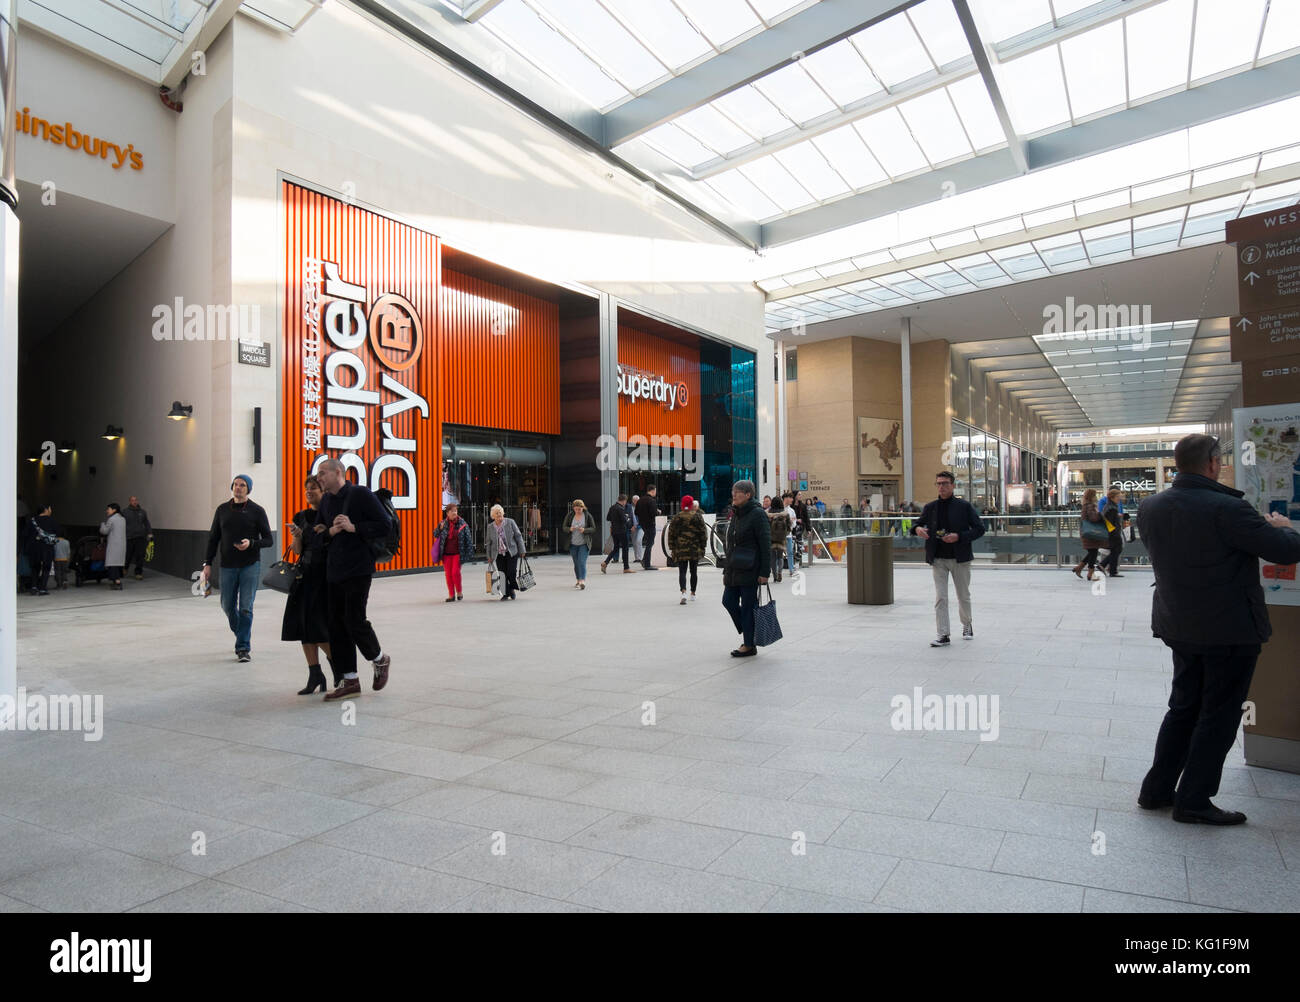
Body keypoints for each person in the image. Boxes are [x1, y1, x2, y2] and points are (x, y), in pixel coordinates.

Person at [1138, 434, 1300, 825]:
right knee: (1220, 714)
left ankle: (1156, 790)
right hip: (1229, 629)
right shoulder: (1229, 508)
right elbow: (1286, 551)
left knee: (1183, 707)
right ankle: (1193, 800)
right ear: (1213, 463)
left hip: (1179, 623)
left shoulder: (1151, 506)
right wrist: (1285, 526)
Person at [315, 458, 393, 699]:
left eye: (322, 473)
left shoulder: (360, 494)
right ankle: (350, 680)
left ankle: (379, 659)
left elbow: (385, 525)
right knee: (336, 625)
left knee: (354, 619)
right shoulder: (326, 500)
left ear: (338, 472)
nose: (319, 478)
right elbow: (319, 530)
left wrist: (354, 527)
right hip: (334, 569)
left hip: (358, 568)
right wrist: (330, 531)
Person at [201, 475, 273, 661]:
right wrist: (207, 563)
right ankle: (242, 633)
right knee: (227, 605)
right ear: (232, 487)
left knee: (246, 608)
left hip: (250, 565)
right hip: (227, 566)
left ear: (248, 489)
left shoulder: (257, 511)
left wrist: (251, 543)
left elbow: (268, 540)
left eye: (243, 485)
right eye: (236, 484)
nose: (238, 488)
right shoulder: (222, 509)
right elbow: (213, 538)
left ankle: (242, 648)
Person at [911, 471, 985, 647]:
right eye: (938, 483)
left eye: (945, 483)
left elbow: (979, 529)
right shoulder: (931, 507)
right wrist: (917, 530)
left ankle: (967, 625)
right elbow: (917, 524)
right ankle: (943, 634)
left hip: (960, 558)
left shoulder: (964, 506)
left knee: (963, 595)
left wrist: (958, 536)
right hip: (938, 559)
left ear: (952, 485)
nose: (941, 487)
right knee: (941, 597)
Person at [281, 475, 333, 695]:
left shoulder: (330, 515)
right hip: (305, 575)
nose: (309, 492)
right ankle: (315, 674)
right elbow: (297, 550)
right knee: (302, 625)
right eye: (307, 489)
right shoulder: (301, 516)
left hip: (326, 575)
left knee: (319, 628)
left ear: (324, 491)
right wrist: (297, 536)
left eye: (314, 488)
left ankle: (338, 668)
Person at [721, 480, 771, 658]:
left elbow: (765, 545)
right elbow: (730, 544)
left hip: (750, 569)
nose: (734, 494)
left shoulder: (757, 514)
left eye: (738, 491)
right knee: (728, 601)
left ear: (748, 494)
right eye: (733, 491)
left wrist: (765, 572)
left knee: (749, 606)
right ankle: (749, 629)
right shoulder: (735, 513)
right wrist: (726, 569)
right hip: (734, 569)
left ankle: (749, 644)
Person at [667, 493, 707, 604]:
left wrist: (672, 547)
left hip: (681, 549)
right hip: (694, 549)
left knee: (682, 571)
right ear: (691, 504)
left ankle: (683, 592)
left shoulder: (677, 517)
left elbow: (671, 534)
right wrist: (703, 546)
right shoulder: (697, 516)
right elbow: (703, 533)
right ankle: (693, 593)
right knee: (693, 571)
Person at [485, 503, 525, 601]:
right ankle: (506, 594)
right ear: (493, 516)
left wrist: (522, 550)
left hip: (511, 552)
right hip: (498, 554)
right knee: (502, 574)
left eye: (501, 513)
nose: (500, 516)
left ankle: (511, 589)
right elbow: (488, 543)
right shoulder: (490, 527)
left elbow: (518, 536)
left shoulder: (510, 522)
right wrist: (489, 556)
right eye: (497, 514)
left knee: (511, 572)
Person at [434, 502, 473, 602]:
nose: (454, 513)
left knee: (455, 572)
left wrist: (469, 553)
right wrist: (440, 528)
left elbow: (468, 539)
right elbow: (435, 534)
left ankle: (459, 592)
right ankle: (451, 595)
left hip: (458, 553)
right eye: (452, 511)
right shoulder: (443, 523)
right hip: (446, 553)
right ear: (447, 513)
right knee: (448, 574)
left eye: (455, 511)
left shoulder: (462, 524)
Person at [25, 504, 60, 596]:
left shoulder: (31, 521)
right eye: (49, 509)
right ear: (46, 510)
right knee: (46, 567)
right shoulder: (51, 520)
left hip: (34, 548)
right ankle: (42, 588)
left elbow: (25, 534)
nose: (50, 510)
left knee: (35, 568)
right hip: (47, 548)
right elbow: (58, 532)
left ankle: (33, 587)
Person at [1072, 487, 1105, 581]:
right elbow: (1093, 518)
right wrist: (1101, 514)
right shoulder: (1090, 506)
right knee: (1093, 552)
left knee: (1092, 551)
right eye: (1095, 495)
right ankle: (1090, 573)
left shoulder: (1086, 505)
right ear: (1092, 496)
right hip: (1091, 532)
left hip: (1087, 531)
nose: (1096, 497)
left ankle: (1079, 568)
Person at [561, 499, 594, 590]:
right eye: (576, 509)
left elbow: (593, 528)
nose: (578, 511)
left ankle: (582, 580)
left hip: (584, 543)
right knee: (576, 563)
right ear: (573, 508)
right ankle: (578, 579)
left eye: (579, 509)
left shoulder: (588, 516)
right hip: (573, 544)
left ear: (583, 508)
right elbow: (564, 527)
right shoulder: (570, 516)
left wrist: (585, 530)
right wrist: (570, 529)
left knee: (581, 562)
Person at [601, 494, 634, 574]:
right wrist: (628, 518)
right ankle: (626, 568)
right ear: (624, 501)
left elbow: (608, 518)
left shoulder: (612, 507)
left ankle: (605, 562)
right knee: (625, 548)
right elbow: (624, 520)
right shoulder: (621, 508)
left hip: (614, 531)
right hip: (622, 531)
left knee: (616, 548)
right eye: (625, 502)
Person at [99, 503, 128, 592]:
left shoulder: (111, 519)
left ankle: (117, 583)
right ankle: (117, 582)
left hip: (114, 545)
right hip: (121, 545)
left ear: (114, 510)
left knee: (113, 564)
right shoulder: (122, 519)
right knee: (118, 564)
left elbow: (104, 531)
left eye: (108, 509)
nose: (107, 511)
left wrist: (102, 524)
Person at [123, 495, 153, 580]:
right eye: (132, 500)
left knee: (140, 556)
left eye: (136, 500)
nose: (134, 502)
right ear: (130, 502)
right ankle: (125, 568)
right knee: (128, 555)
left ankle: (138, 573)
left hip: (140, 537)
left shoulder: (142, 512)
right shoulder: (125, 512)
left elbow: (147, 523)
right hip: (129, 537)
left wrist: (150, 533)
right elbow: (121, 523)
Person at [1098, 487, 1125, 577]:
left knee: (1115, 550)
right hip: (1113, 533)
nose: (1119, 498)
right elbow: (1110, 523)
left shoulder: (1110, 506)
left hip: (1111, 532)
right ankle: (1110, 570)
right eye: (1118, 496)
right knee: (1117, 549)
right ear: (1112, 497)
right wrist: (1115, 534)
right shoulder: (1112, 508)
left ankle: (1105, 566)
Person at [768, 495, 792, 584]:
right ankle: (779, 572)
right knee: (780, 556)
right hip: (781, 538)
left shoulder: (768, 514)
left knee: (773, 558)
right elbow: (789, 526)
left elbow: (765, 526)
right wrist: (786, 533)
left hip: (771, 538)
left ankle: (774, 575)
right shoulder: (785, 514)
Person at [636, 485, 660, 570]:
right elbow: (654, 513)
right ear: (652, 491)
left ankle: (644, 560)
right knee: (650, 544)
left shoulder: (640, 500)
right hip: (650, 524)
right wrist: (658, 512)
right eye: (655, 491)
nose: (655, 493)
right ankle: (647, 564)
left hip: (643, 524)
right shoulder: (651, 501)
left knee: (649, 543)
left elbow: (636, 512)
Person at [630, 494, 643, 563]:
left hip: (641, 527)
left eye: (637, 500)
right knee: (634, 542)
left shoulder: (642, 507)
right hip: (633, 528)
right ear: (632, 501)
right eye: (634, 500)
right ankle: (636, 558)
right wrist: (632, 526)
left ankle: (640, 557)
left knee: (638, 541)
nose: (636, 502)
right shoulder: (630, 508)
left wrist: (636, 526)